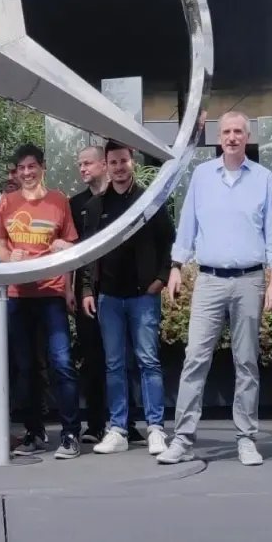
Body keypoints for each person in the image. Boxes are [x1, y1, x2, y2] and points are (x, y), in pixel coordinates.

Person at [158, 112, 272, 467]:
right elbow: (187, 224)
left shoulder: (262, 179)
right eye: (226, 131)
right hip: (210, 281)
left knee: (246, 362)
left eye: (238, 132)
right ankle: (182, 439)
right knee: (195, 359)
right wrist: (176, 267)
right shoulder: (202, 175)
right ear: (219, 137)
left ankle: (246, 439)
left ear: (248, 137)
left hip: (249, 280)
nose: (232, 137)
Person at [80, 141, 174, 457]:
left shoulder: (150, 201)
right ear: (106, 166)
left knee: (148, 361)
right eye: (114, 162)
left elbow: (168, 242)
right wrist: (88, 290)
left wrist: (160, 279)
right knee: (114, 364)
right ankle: (118, 427)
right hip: (108, 298)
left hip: (143, 296)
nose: (119, 167)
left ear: (131, 162)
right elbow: (89, 251)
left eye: (123, 161)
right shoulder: (95, 206)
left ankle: (156, 429)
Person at [0, 142, 82, 459]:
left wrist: (68, 282)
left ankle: (71, 434)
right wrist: (7, 258)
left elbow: (71, 244)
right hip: (17, 295)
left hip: (51, 293)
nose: (27, 173)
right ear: (17, 172)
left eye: (32, 166)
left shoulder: (59, 201)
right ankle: (34, 431)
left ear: (42, 167)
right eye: (22, 168)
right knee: (24, 368)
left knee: (61, 363)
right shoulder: (7, 203)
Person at [69, 144, 110, 444]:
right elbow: (72, 250)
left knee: (123, 358)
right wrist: (68, 288)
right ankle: (95, 423)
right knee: (93, 357)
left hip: (121, 289)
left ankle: (124, 421)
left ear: (103, 164)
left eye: (88, 164)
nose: (83, 169)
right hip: (86, 292)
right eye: (80, 164)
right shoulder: (75, 204)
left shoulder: (123, 199)